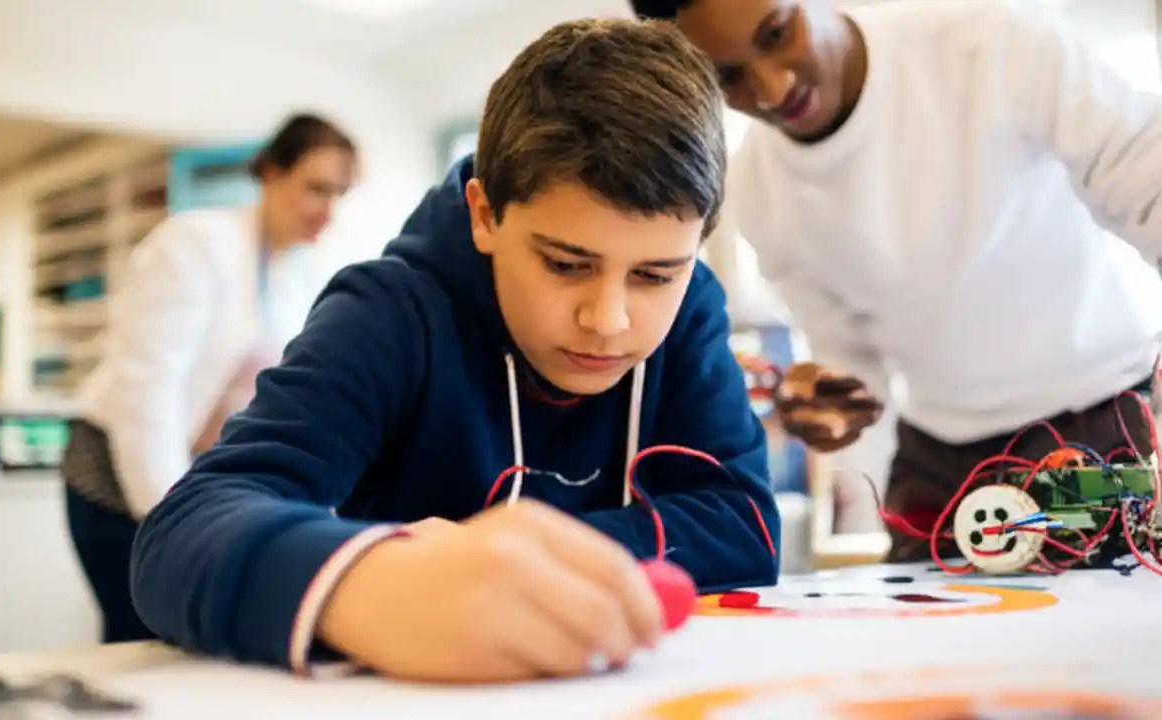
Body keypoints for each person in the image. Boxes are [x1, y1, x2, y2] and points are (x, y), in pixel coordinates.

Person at [129, 18, 780, 684]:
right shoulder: (390, 311)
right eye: (564, 263)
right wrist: (375, 579)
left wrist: (500, 562)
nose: (608, 321)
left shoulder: (692, 305)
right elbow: (181, 533)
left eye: (654, 275)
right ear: (484, 215)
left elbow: (746, 528)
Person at [630, 0, 1162, 560]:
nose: (772, 87)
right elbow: (852, 364)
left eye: (777, 34)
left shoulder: (991, 37)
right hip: (940, 463)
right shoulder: (757, 190)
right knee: (926, 639)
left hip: (1102, 425)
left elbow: (1139, 173)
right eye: (728, 77)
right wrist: (832, 406)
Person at [61, 113, 357, 643]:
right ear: (270, 173)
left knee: (188, 644)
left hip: (195, 477)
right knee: (143, 642)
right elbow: (148, 388)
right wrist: (170, 517)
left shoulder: (295, 273)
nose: (328, 210)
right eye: (315, 188)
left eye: (339, 192)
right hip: (117, 468)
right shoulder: (196, 243)